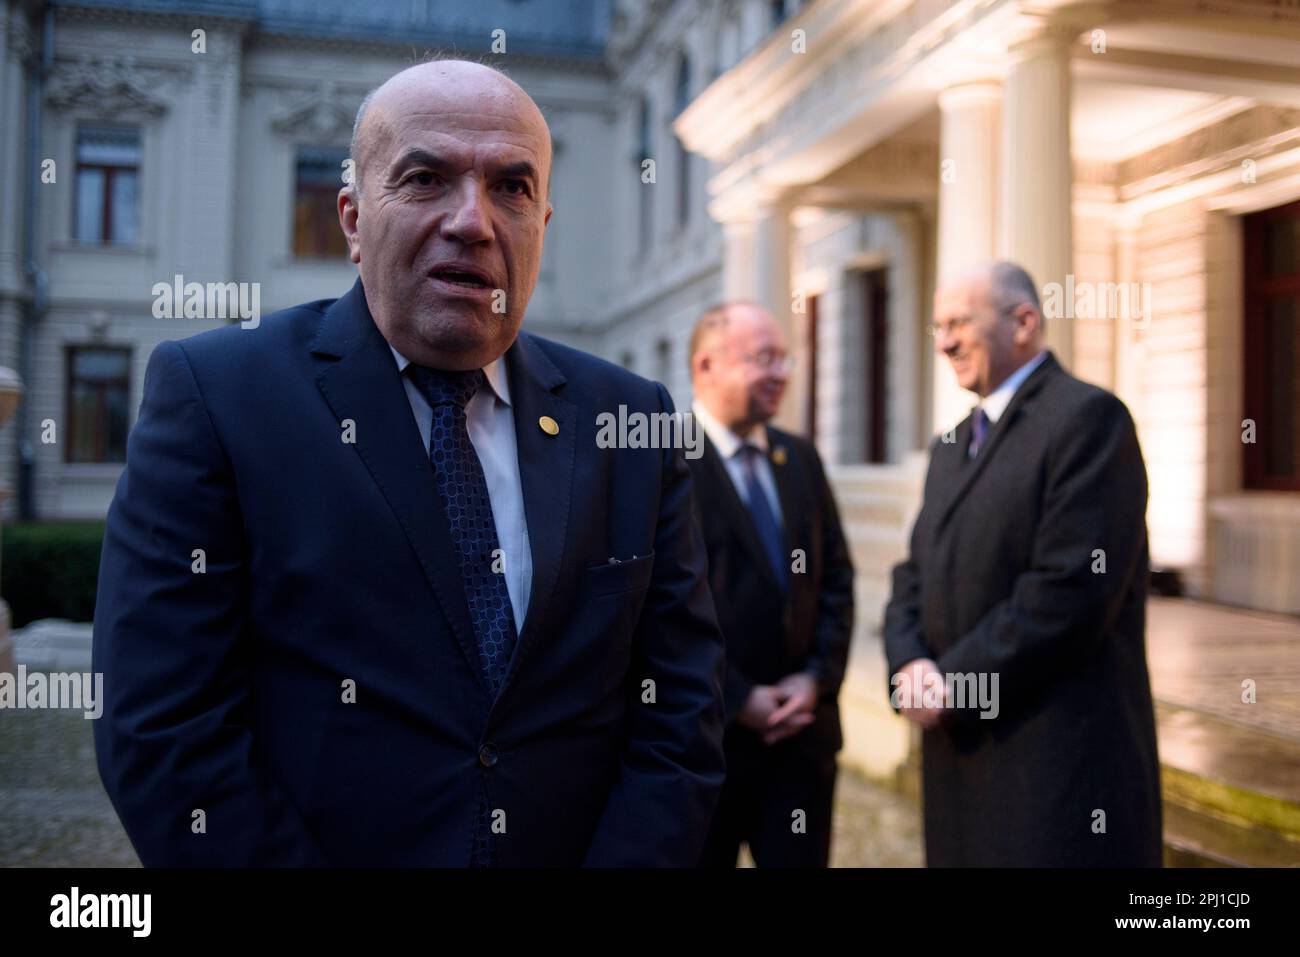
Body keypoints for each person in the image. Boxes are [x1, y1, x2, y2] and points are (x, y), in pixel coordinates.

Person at [92, 58, 726, 867]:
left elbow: (681, 708)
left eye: (511, 187)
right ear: (354, 219)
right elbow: (164, 727)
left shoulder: (631, 419)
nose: (473, 221)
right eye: (426, 179)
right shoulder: (218, 397)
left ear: (542, 221)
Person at [883, 261, 1162, 866]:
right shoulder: (951, 444)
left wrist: (955, 681)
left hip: (1053, 768)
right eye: (937, 327)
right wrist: (907, 664)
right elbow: (913, 574)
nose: (945, 342)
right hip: (960, 764)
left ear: (1025, 322)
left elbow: (1070, 592)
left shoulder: (1089, 420)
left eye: (959, 323)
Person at [687, 302, 854, 867]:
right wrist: (737, 699)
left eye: (785, 358)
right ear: (706, 365)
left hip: (799, 747)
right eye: (763, 359)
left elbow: (836, 579)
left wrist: (815, 678)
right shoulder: (662, 461)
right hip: (701, 749)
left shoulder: (800, 457)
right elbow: (649, 612)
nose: (781, 373)